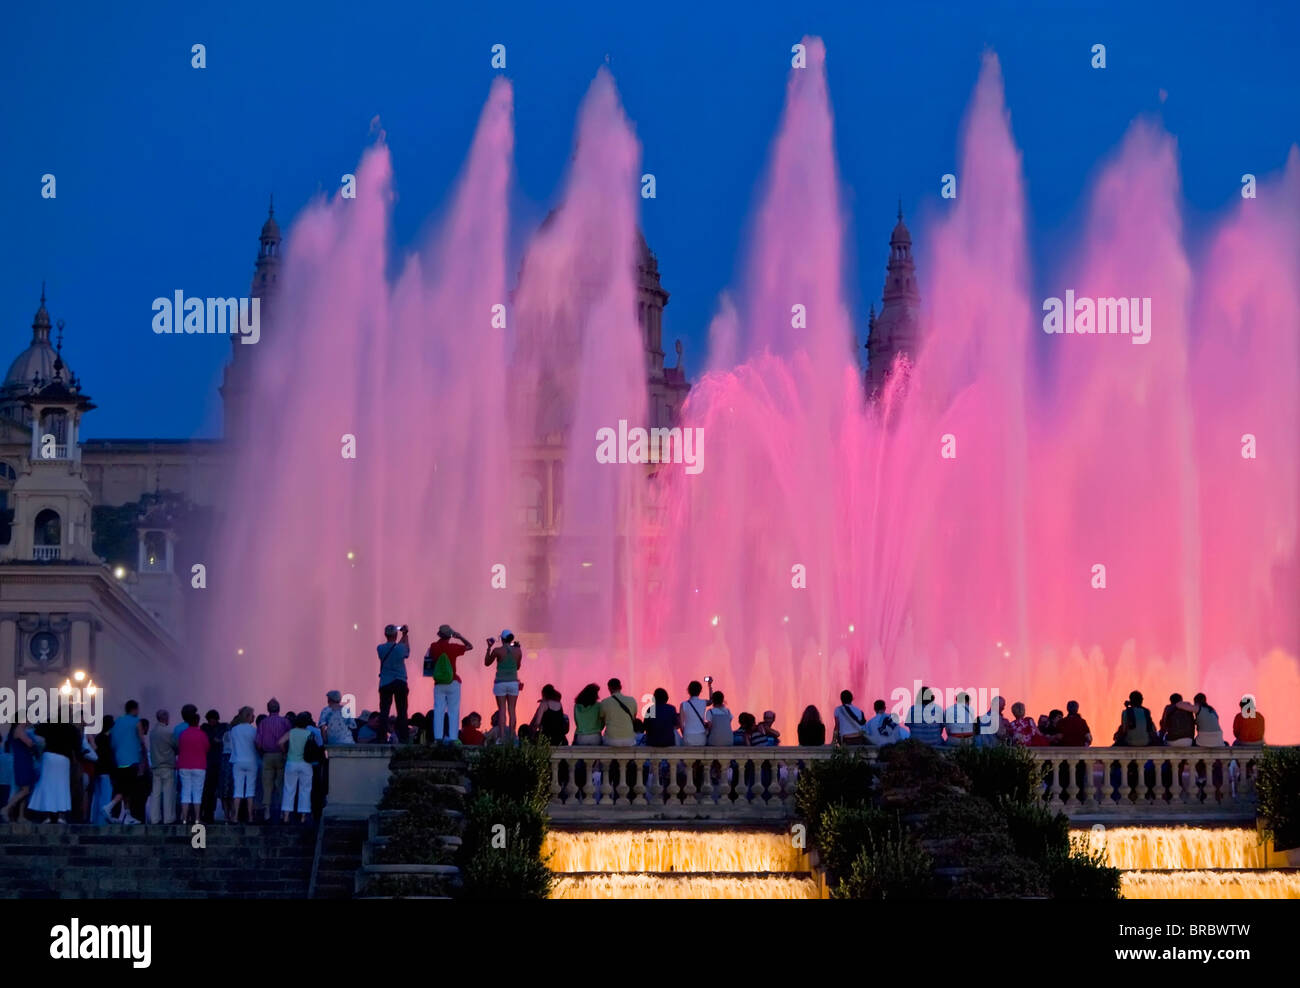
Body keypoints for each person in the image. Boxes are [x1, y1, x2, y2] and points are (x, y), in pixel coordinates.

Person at [426, 624, 474, 744]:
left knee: (438, 710)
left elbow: (429, 658)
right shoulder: (453, 647)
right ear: (450, 636)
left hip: (439, 683)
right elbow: (470, 646)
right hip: (453, 682)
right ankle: (453, 738)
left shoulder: (434, 646)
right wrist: (460, 637)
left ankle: (438, 737)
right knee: (453, 710)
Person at [104, 699, 145, 824]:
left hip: (119, 760)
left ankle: (127, 815)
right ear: (135, 709)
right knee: (128, 788)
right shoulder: (136, 722)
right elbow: (142, 741)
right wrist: (142, 760)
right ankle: (109, 807)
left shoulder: (117, 722)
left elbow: (112, 742)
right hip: (132, 759)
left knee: (124, 786)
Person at [30, 721, 78, 822]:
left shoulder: (48, 724)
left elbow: (36, 732)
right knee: (62, 786)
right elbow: (77, 745)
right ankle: (61, 815)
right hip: (64, 757)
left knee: (47, 785)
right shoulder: (71, 727)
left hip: (49, 756)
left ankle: (47, 815)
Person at [484, 630, 523, 745]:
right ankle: (511, 736)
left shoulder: (497, 650)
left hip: (500, 682)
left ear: (502, 639)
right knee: (512, 710)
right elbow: (518, 667)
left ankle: (501, 737)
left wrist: (488, 648)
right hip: (513, 682)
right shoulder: (518, 651)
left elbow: (487, 663)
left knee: (502, 710)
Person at [255, 698, 290, 821]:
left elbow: (258, 743)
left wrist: (262, 754)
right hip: (281, 755)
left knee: (267, 785)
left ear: (267, 709)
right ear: (279, 709)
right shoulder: (285, 722)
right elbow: (289, 739)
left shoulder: (263, 723)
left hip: (267, 755)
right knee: (281, 784)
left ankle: (267, 811)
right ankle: (281, 811)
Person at [377, 624, 411, 744]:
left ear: (385, 635)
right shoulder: (400, 648)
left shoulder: (380, 648)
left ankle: (381, 737)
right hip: (400, 681)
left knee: (384, 711)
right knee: (402, 711)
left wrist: (403, 636)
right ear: (396, 635)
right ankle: (404, 737)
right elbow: (406, 651)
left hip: (385, 683)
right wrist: (405, 634)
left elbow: (395, 647)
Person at [176, 707, 209, 825]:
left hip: (184, 765)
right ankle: (197, 818)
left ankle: (184, 818)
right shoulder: (202, 734)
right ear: (198, 721)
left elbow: (179, 748)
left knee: (185, 792)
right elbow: (207, 748)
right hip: (199, 766)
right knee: (197, 793)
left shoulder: (183, 734)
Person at [279, 713, 314, 823]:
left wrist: (285, 752)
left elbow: (280, 742)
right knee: (305, 789)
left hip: (291, 763)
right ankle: (303, 816)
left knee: (289, 789)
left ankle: (286, 816)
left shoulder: (292, 732)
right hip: (306, 764)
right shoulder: (309, 733)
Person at [228, 706, 258, 824]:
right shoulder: (253, 730)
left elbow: (231, 746)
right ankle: (250, 817)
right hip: (251, 761)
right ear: (248, 716)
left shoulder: (234, 730)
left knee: (238, 791)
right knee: (250, 790)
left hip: (237, 761)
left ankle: (235, 817)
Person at [147, 709, 178, 824]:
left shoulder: (152, 732)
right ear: (165, 718)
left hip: (155, 766)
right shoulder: (169, 732)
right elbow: (176, 746)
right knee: (168, 793)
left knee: (156, 794)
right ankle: (168, 817)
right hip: (167, 766)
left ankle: (154, 818)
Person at [200, 710, 230, 824]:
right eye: (210, 720)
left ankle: (225, 815)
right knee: (208, 791)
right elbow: (213, 739)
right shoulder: (205, 727)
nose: (211, 721)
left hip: (219, 763)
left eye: (213, 719)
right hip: (210, 763)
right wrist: (215, 739)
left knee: (222, 791)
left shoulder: (222, 726)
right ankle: (208, 815)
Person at [4, 723, 37, 821]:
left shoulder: (22, 730)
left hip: (26, 761)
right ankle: (6, 808)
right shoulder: (19, 730)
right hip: (22, 762)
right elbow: (30, 743)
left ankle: (21, 815)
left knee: (25, 789)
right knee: (25, 790)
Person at [599, 678, 639, 747]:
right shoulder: (632, 700)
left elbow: (602, 720)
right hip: (629, 740)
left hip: (611, 740)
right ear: (621, 687)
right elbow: (634, 718)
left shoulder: (604, 702)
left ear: (609, 688)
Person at [678, 681, 709, 746]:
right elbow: (712, 700)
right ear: (700, 691)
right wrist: (710, 686)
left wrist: (685, 734)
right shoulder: (704, 702)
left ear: (688, 690)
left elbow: (681, 724)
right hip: (701, 738)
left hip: (688, 737)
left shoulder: (683, 704)